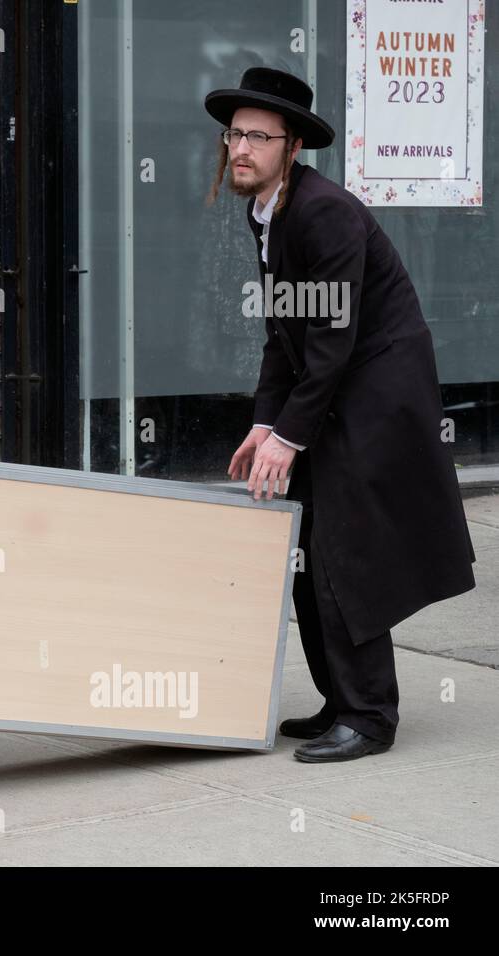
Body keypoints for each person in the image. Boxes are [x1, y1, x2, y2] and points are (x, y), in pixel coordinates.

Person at [208, 68, 475, 762]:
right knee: (303, 552)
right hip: (335, 385)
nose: (240, 148)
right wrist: (264, 424)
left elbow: (330, 338)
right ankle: (338, 700)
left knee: (341, 553)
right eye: (235, 134)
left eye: (258, 137)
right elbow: (283, 330)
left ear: (291, 146)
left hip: (377, 390)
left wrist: (289, 437)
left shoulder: (323, 211)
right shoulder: (266, 210)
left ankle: (370, 716)